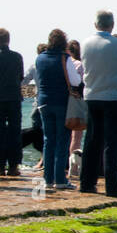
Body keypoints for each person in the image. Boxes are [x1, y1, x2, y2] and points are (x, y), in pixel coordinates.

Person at [79, 10, 117, 197]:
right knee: (113, 142)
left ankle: (87, 182)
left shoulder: (85, 44)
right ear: (112, 25)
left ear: (95, 24)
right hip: (114, 96)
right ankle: (112, 185)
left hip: (92, 95)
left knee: (92, 140)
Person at [33, 29, 76, 190]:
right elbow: (75, 80)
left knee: (48, 140)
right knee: (62, 140)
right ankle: (60, 179)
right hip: (61, 102)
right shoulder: (65, 58)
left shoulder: (40, 58)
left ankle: (47, 178)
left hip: (43, 102)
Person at [0, 27, 24, 178]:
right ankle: (14, 166)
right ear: (8, 40)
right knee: (15, 133)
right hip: (14, 96)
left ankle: (0, 165)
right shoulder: (17, 57)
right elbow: (20, 76)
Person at [66, 38, 86, 178]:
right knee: (76, 136)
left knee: (65, 136)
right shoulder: (79, 64)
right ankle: (73, 168)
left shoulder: (66, 63)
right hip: (77, 101)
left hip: (64, 101)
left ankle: (65, 165)